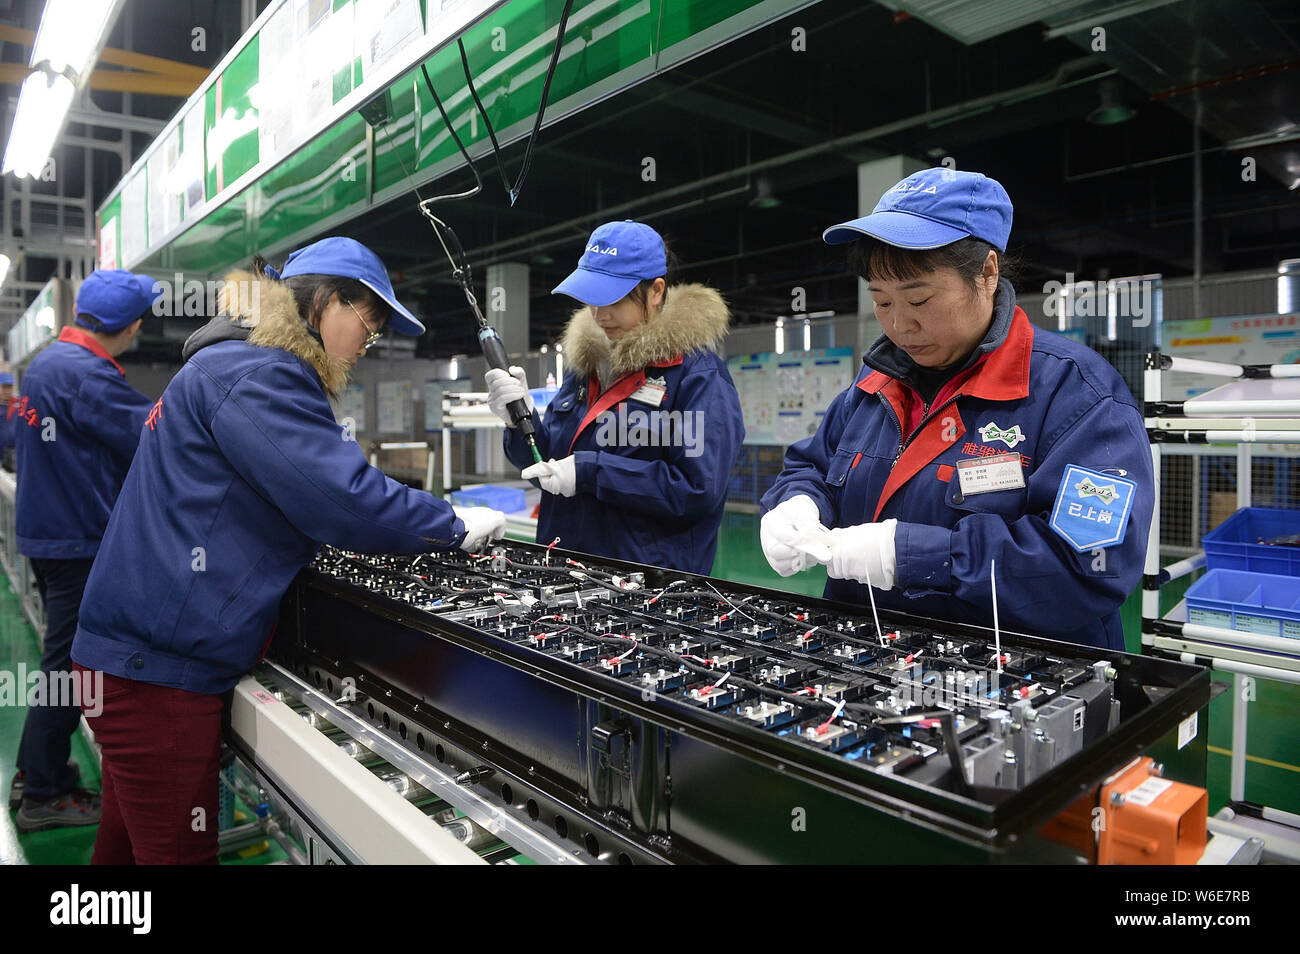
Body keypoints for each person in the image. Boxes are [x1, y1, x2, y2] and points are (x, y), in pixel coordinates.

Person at [70, 237, 507, 864]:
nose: (366, 341)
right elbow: (341, 497)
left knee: (120, 850)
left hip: (129, 659)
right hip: (155, 676)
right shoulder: (261, 371)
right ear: (325, 301)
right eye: (368, 321)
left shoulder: (230, 360)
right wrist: (451, 524)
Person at [760, 169, 1152, 650]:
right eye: (881, 300)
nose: (900, 324)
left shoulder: (1076, 395)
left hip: (1011, 683)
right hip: (866, 671)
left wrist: (911, 556)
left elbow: (1089, 563)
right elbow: (812, 466)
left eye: (919, 298)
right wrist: (797, 503)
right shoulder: (874, 385)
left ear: (987, 273)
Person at [485, 220, 744, 574]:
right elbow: (549, 468)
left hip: (643, 591)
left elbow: (696, 490)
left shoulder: (697, 378)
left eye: (615, 298)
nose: (600, 314)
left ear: (656, 291)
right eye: (592, 297)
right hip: (563, 573)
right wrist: (521, 422)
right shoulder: (586, 369)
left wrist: (591, 472)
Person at [10, 271, 157, 831]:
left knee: (59, 662)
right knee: (72, 670)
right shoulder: (88, 376)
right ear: (133, 325)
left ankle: (34, 770)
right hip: (75, 542)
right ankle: (44, 792)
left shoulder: (48, 363)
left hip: (49, 537)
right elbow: (157, 433)